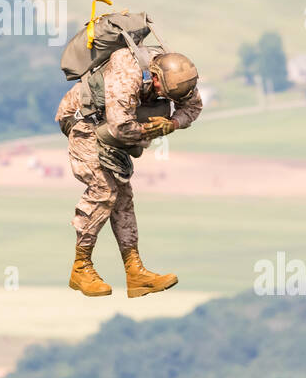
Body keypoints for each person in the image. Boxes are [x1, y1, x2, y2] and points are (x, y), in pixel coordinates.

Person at [55, 49, 202, 298]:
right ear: (155, 79)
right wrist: (153, 130)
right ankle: (81, 268)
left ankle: (135, 273)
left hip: (112, 124)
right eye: (161, 93)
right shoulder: (128, 71)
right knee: (104, 190)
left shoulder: (178, 76)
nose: (161, 97)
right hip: (83, 119)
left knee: (123, 196)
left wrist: (173, 123)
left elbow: (193, 107)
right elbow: (121, 126)